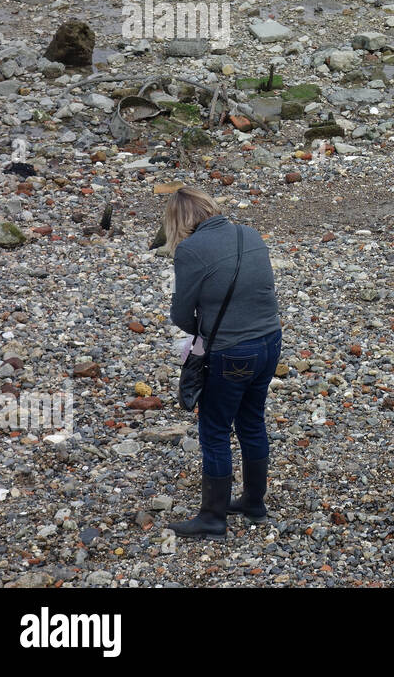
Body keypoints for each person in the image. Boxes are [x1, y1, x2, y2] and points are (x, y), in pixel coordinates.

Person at [162, 186, 281, 539]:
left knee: (214, 431)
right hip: (270, 343)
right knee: (251, 421)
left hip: (232, 352)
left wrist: (203, 331)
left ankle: (213, 519)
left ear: (179, 220)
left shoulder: (190, 249)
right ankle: (254, 504)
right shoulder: (250, 234)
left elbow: (181, 314)